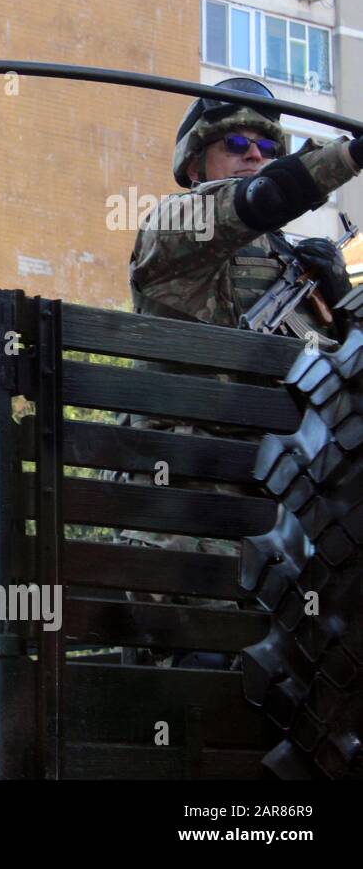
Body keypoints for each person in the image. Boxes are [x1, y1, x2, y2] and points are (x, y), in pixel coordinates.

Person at [120, 77, 363, 667]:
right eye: (236, 143)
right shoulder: (175, 228)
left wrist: (346, 312)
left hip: (295, 530)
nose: (255, 155)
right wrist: (350, 155)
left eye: (267, 147)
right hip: (198, 525)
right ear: (197, 165)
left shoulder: (297, 263)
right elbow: (257, 200)